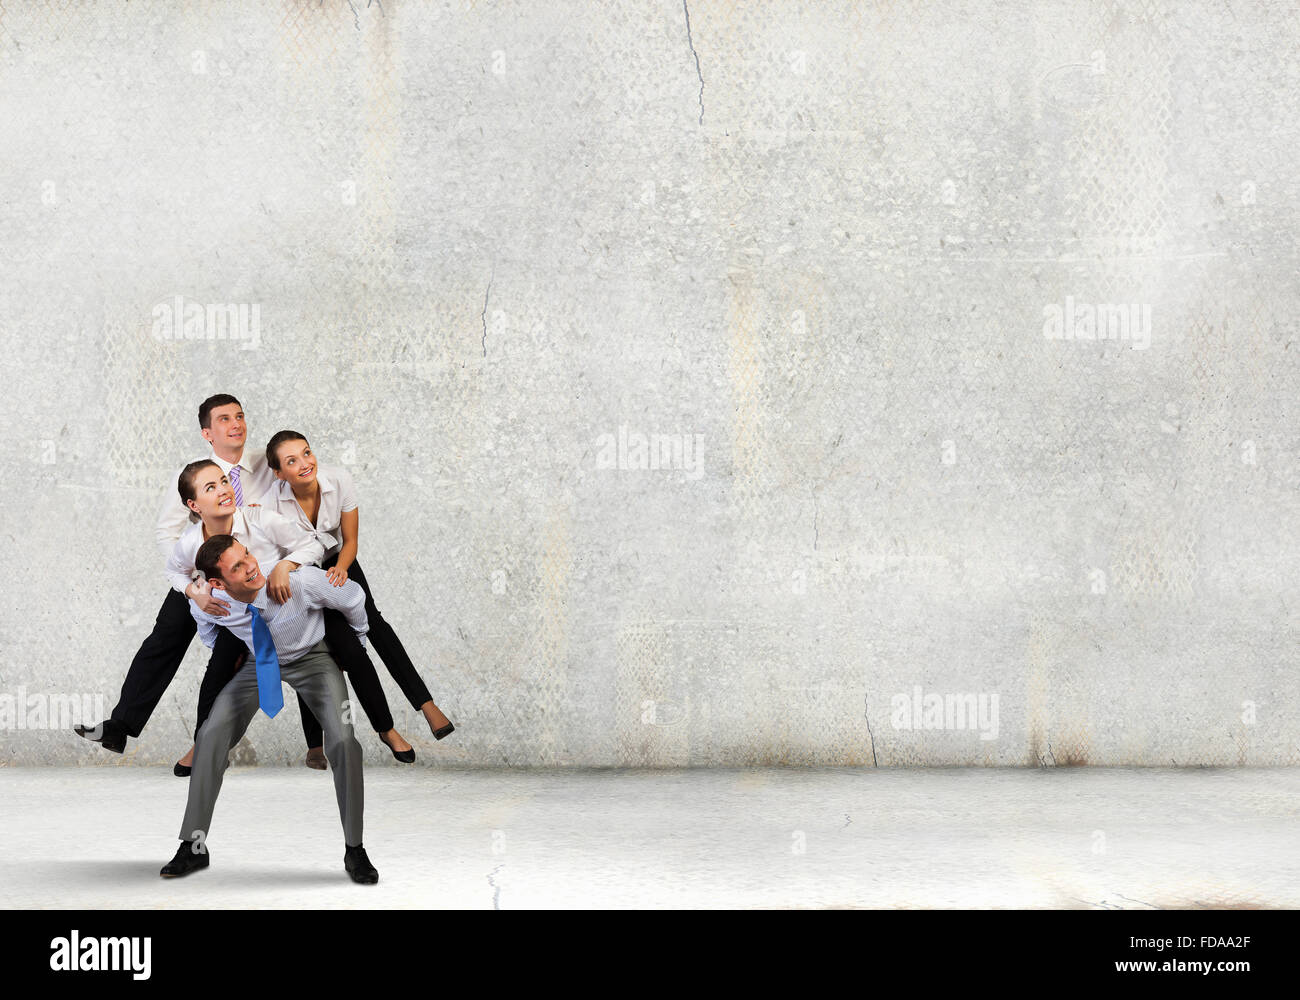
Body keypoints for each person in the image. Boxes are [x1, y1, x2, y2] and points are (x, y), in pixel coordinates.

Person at [168, 460, 417, 772]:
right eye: (210, 487)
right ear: (193, 505)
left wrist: (286, 567)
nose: (222, 490)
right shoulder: (190, 543)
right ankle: (203, 746)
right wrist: (195, 594)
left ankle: (386, 729)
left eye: (223, 481)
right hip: (245, 614)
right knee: (218, 669)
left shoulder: (259, 519)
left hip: (295, 600)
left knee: (352, 652)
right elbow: (174, 572)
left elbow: (311, 547)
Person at [159, 535, 379, 884]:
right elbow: (208, 631)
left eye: (246, 555)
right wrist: (237, 653)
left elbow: (353, 597)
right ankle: (193, 846)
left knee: (343, 740)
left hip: (313, 659)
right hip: (258, 665)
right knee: (210, 734)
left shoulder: (298, 581)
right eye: (237, 566)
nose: (250, 566)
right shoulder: (209, 600)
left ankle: (355, 849)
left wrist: (357, 643)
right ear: (217, 582)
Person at [75, 394, 276, 755]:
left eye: (240, 416)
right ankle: (121, 725)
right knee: (164, 639)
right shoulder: (194, 474)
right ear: (207, 433)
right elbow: (167, 532)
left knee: (226, 659)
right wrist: (193, 584)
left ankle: (205, 745)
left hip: (249, 579)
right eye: (224, 419)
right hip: (201, 576)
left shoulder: (266, 463)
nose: (236, 424)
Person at [262, 430, 455, 758]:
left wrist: (343, 568)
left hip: (339, 559)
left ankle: (426, 704)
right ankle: (386, 729)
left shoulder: (339, 480)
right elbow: (274, 554)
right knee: (343, 650)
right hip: (300, 573)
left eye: (307, 453)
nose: (304, 463)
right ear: (279, 473)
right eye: (291, 461)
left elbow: (349, 539)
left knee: (375, 624)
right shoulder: (271, 503)